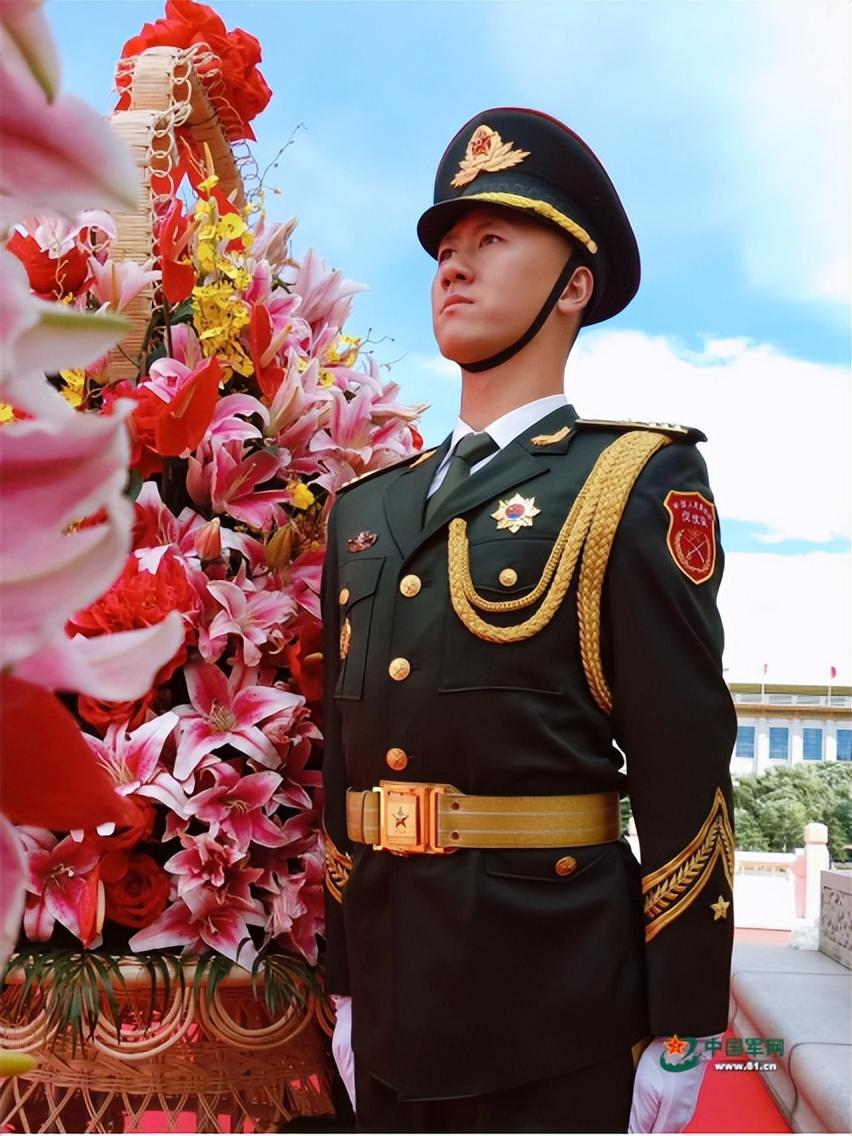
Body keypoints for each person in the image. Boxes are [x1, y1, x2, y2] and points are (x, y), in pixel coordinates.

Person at [320, 107, 736, 1133]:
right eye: (444, 250)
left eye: (493, 239)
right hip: (392, 993)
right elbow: (344, 764)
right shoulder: (367, 509)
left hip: (553, 1006)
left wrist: (683, 1021)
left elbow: (684, 763)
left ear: (574, 285)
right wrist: (345, 980)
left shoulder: (631, 479)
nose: (454, 268)